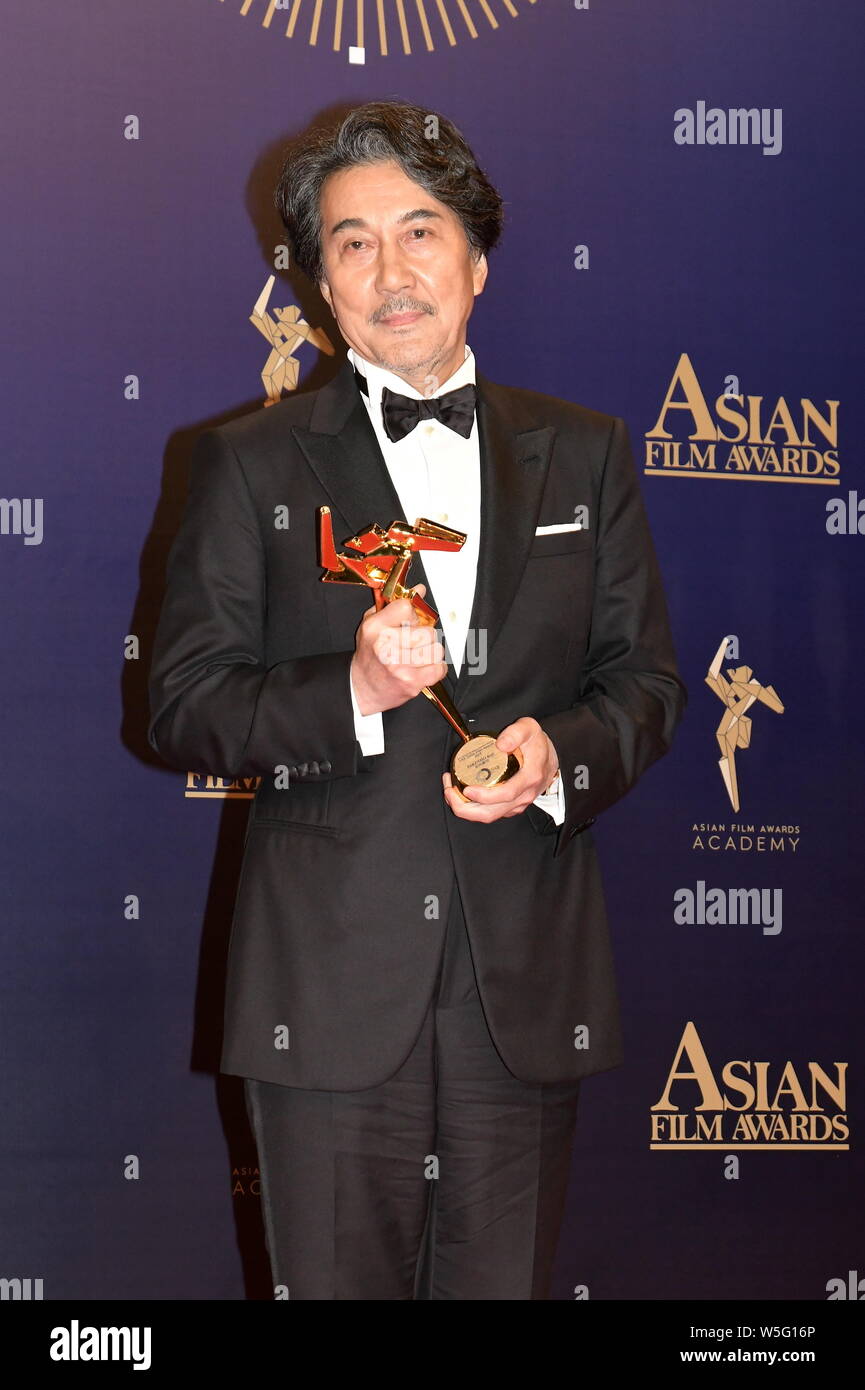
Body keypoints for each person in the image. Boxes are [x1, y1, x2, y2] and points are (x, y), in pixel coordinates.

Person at [147, 99, 687, 1300]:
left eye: (420, 231)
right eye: (351, 244)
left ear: (477, 260)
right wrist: (350, 686)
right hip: (327, 992)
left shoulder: (587, 451)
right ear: (319, 287)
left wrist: (563, 755)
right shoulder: (246, 462)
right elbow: (182, 703)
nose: (391, 271)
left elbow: (647, 681)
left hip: (521, 994)